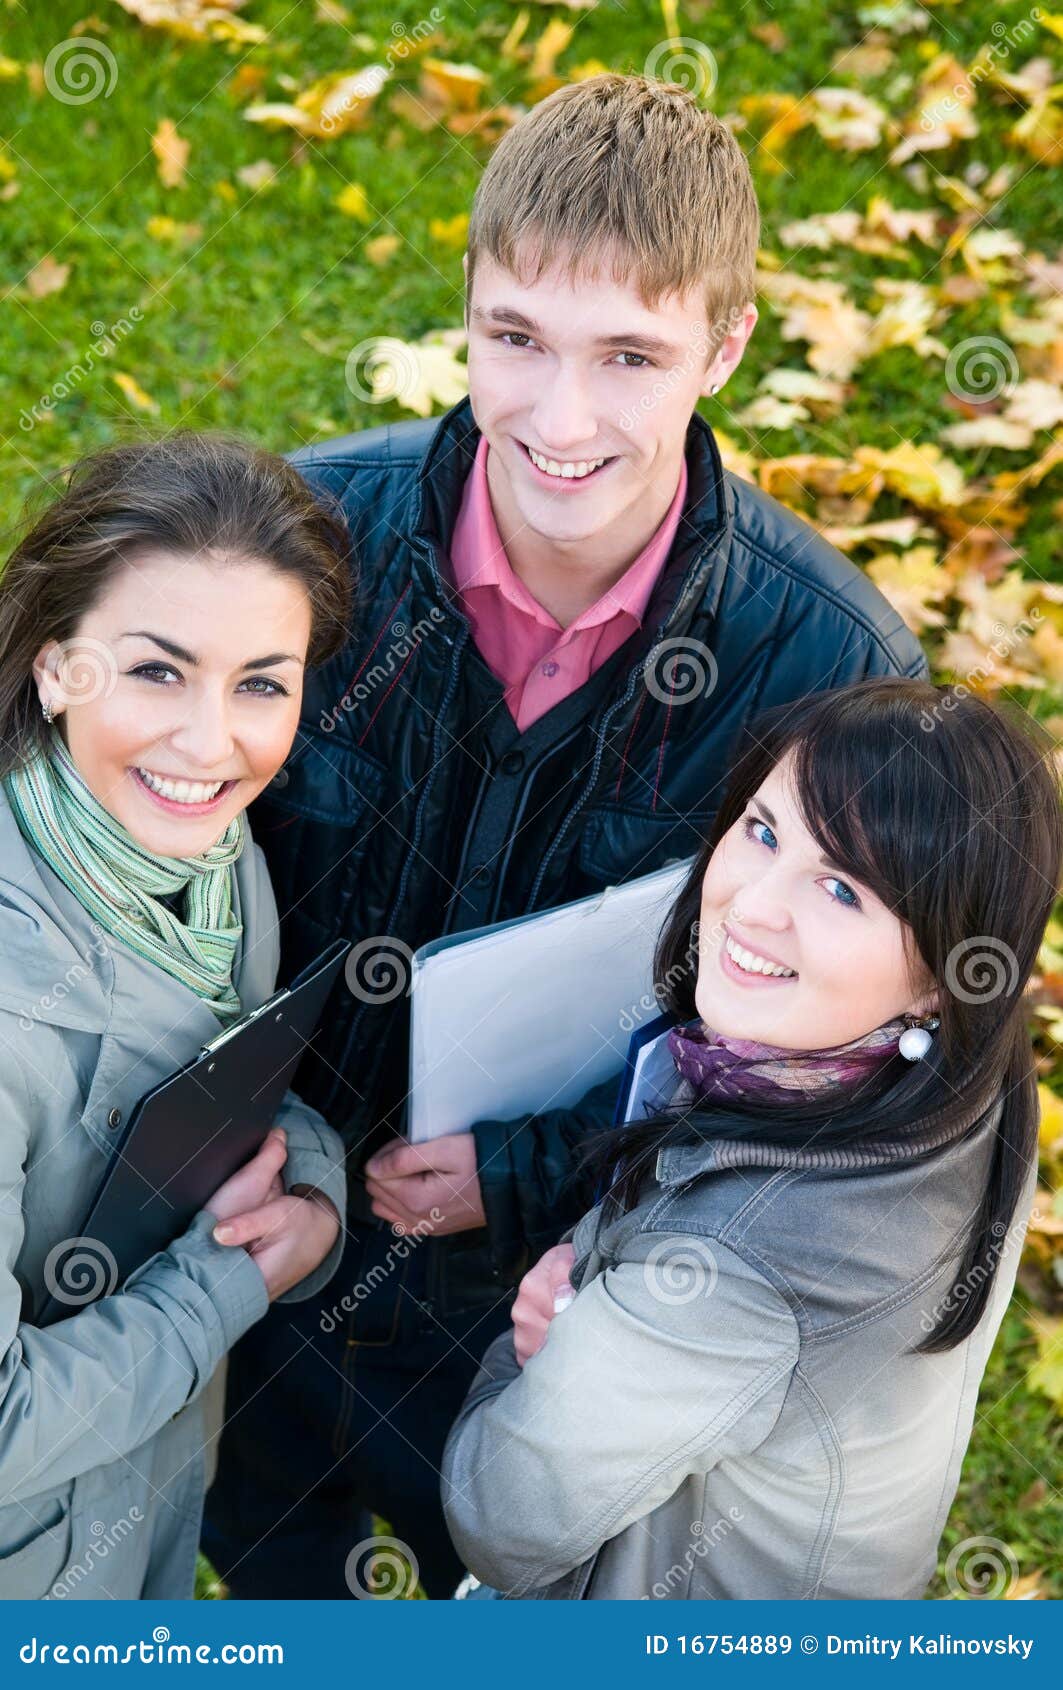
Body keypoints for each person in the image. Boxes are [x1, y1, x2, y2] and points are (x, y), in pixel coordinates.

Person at [203, 75, 929, 1599]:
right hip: (257, 1250)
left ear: (725, 348)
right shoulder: (302, 543)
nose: (560, 418)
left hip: (555, 1304)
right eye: (514, 339)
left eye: (630, 356)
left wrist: (534, 1171)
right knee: (268, 1580)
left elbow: (850, 1071)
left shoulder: (831, 669)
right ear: (465, 301)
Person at [440, 677, 1063, 1599]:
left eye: (842, 889)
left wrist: (542, 1346)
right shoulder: (960, 1066)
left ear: (941, 972)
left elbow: (498, 1517)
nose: (750, 903)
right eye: (764, 832)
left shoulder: (730, 1273)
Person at [0, 434, 351, 1599]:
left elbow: (219, 1078)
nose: (212, 744)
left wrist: (310, 1187)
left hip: (135, 1500)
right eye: (157, 670)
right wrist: (227, 1282)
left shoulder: (205, 861)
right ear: (54, 667)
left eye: (261, 682)